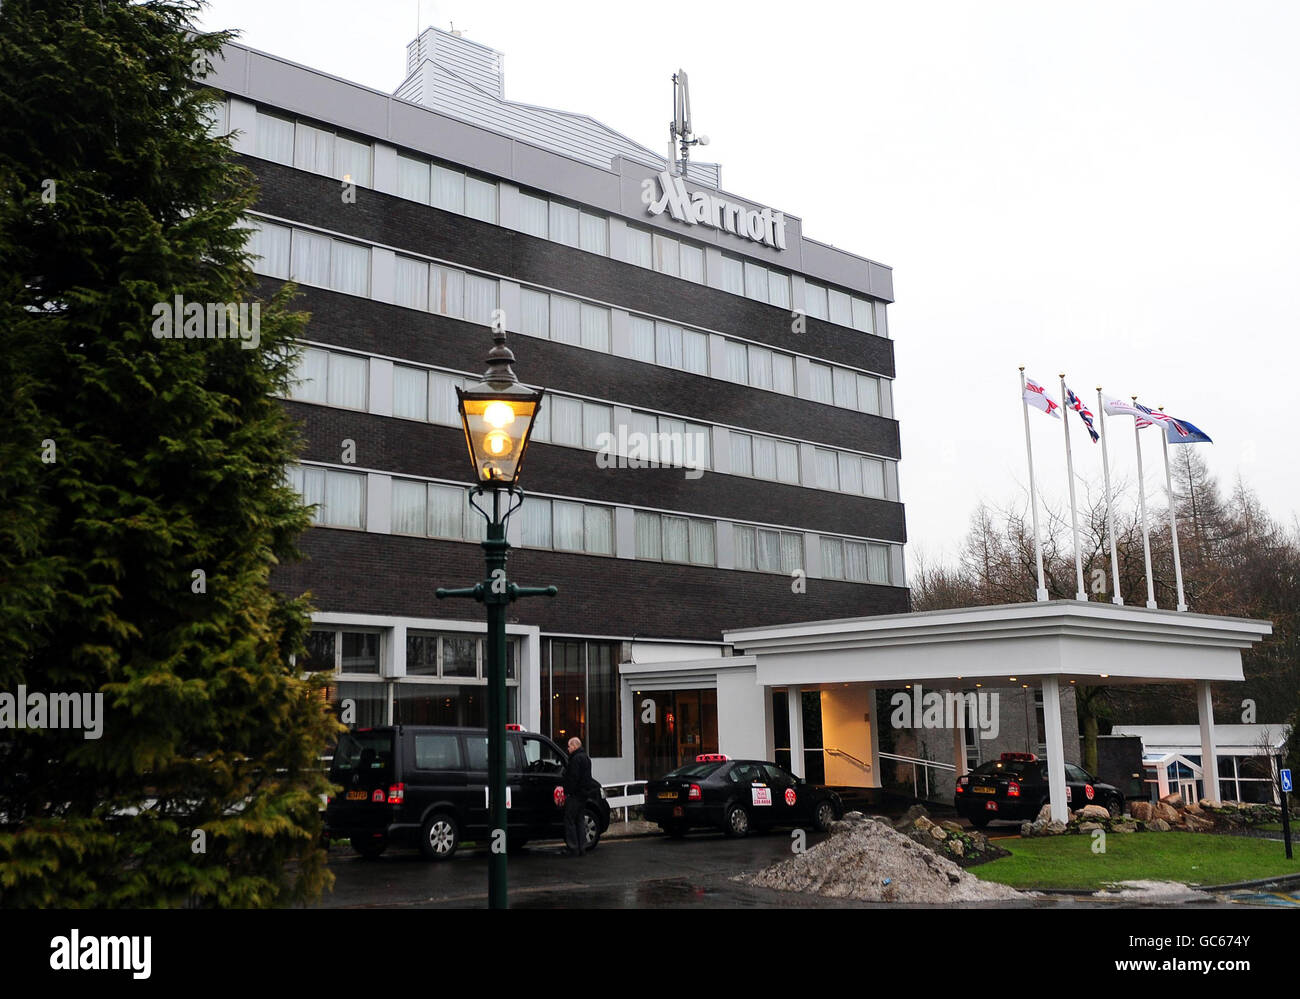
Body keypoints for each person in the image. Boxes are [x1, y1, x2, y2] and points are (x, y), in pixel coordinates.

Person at [561, 736, 594, 857]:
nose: (568, 749)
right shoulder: (586, 758)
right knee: (579, 820)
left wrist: (567, 792)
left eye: (569, 746)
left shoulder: (575, 759)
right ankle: (582, 847)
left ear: (575, 746)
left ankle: (573, 847)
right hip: (583, 795)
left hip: (575, 795)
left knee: (569, 820)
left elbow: (573, 778)